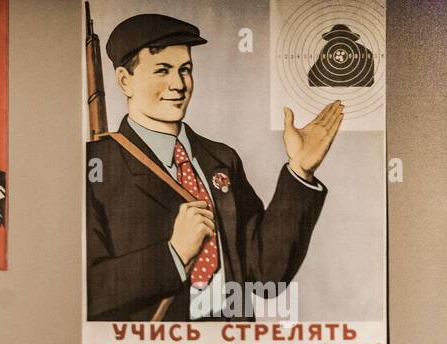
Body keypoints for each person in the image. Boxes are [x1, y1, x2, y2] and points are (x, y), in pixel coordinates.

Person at [86, 14, 342, 322]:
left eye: (186, 70)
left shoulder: (221, 158)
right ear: (125, 81)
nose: (179, 84)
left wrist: (299, 172)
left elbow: (263, 275)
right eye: (163, 70)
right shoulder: (94, 166)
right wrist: (173, 255)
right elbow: (86, 290)